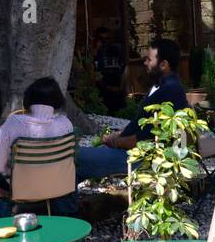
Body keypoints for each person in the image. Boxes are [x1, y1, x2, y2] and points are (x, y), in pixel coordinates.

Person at [76, 37, 189, 181]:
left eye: (149, 59)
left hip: (142, 158)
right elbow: (139, 126)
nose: (145, 62)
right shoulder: (161, 86)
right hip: (134, 151)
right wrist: (118, 135)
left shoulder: (168, 91)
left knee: (74, 157)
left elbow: (145, 139)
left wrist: (114, 141)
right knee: (74, 167)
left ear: (164, 64)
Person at [0, 77, 75, 197]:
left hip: (20, 189)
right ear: (58, 99)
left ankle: (5, 215)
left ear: (28, 98)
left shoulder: (14, 122)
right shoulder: (65, 124)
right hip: (57, 187)